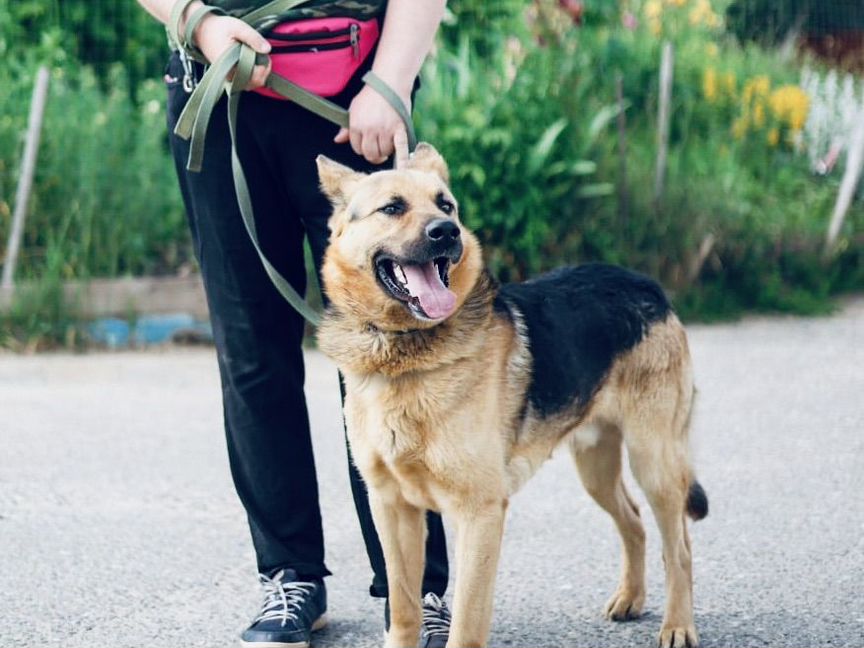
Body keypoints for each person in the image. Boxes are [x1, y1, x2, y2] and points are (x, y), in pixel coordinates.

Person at [134, 1, 451, 646]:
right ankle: (290, 575)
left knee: (390, 343)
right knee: (251, 350)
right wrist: (197, 21)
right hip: (220, 95)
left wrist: (389, 82)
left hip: (356, 102)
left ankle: (417, 587)